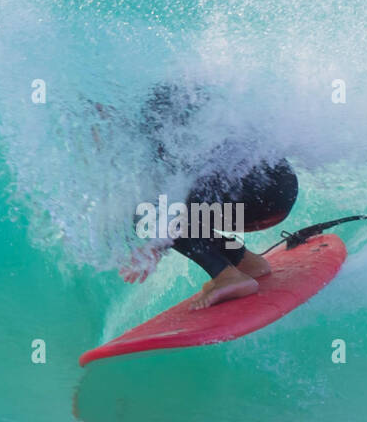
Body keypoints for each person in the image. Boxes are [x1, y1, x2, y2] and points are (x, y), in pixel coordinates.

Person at [119, 82, 299, 309]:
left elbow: (183, 195)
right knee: (172, 207)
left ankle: (227, 276)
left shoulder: (158, 130)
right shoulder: (199, 108)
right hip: (283, 188)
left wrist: (156, 243)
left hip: (254, 200)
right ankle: (246, 262)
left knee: (146, 214)